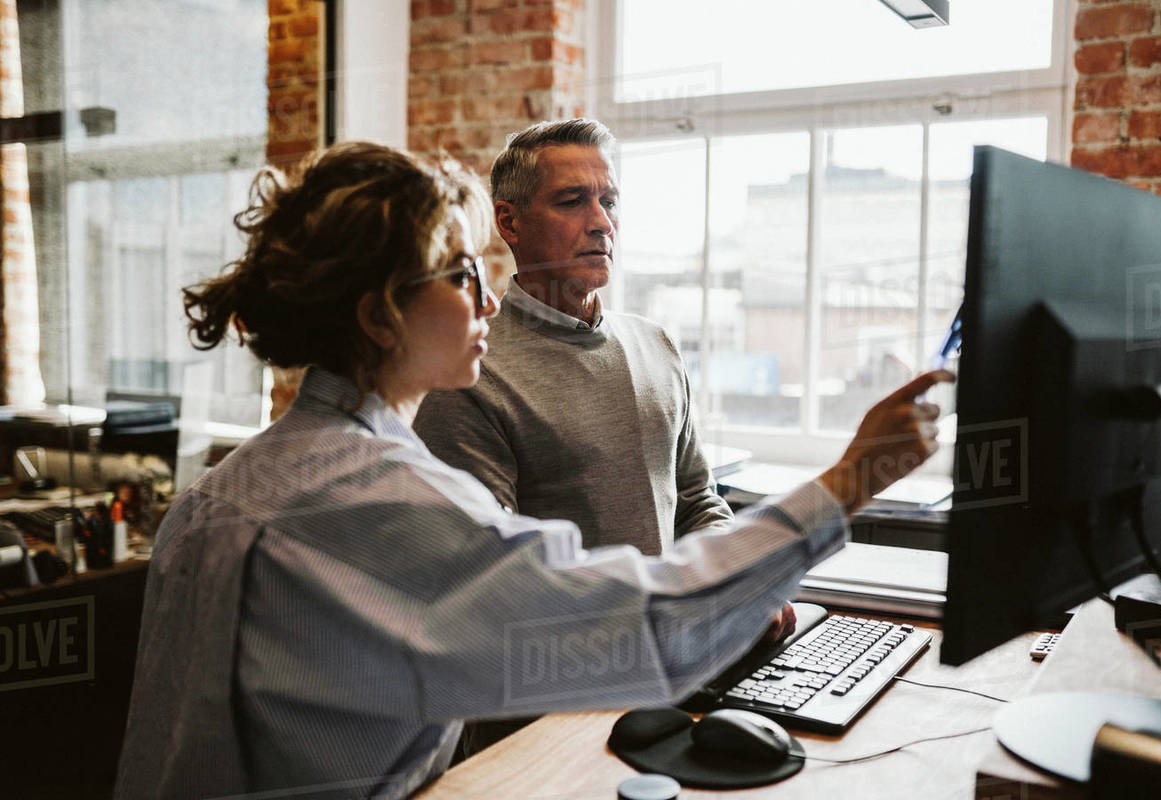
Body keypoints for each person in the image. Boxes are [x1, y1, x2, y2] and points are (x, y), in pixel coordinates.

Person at [114, 141, 949, 800]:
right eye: (459, 271)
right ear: (378, 315)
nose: (486, 297)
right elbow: (646, 627)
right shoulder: (370, 500)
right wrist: (852, 479)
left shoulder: (223, 491)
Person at [414, 119, 732, 559]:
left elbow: (697, 503)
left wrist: (736, 575)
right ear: (509, 222)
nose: (602, 223)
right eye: (572, 201)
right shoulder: (467, 372)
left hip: (677, 620)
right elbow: (492, 568)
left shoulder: (656, 345)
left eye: (610, 201)